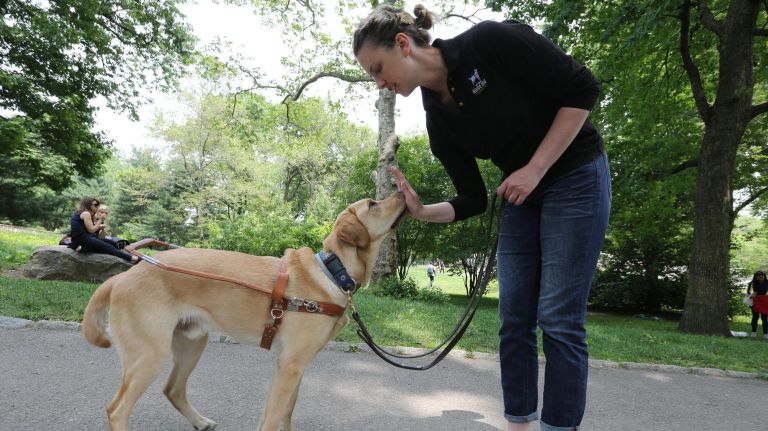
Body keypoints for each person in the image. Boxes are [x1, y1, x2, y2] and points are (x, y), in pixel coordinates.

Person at [354, 6, 611, 431]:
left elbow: (582, 88)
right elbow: (471, 198)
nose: (380, 82)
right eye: (372, 77)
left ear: (403, 43)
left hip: (575, 175)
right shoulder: (437, 118)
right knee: (514, 319)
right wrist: (420, 211)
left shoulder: (490, 41)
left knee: (558, 317)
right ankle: (518, 423)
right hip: (521, 191)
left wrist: (534, 168)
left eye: (378, 69)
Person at [69, 197, 138, 264]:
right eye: (95, 205)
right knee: (109, 248)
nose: (97, 206)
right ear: (88, 204)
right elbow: (91, 230)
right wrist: (100, 220)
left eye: (98, 205)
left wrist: (101, 227)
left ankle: (84, 248)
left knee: (113, 243)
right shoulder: (86, 214)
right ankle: (132, 258)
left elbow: (99, 236)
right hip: (82, 239)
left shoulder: (87, 214)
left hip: (87, 237)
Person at [746, 270, 768, 338]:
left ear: (764, 276)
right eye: (758, 276)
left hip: (765, 302)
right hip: (755, 301)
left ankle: (765, 334)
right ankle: (753, 332)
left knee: (764, 318)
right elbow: (748, 292)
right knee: (755, 317)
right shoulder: (752, 283)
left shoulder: (767, 282)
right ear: (755, 277)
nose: (760, 277)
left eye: (762, 275)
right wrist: (752, 294)